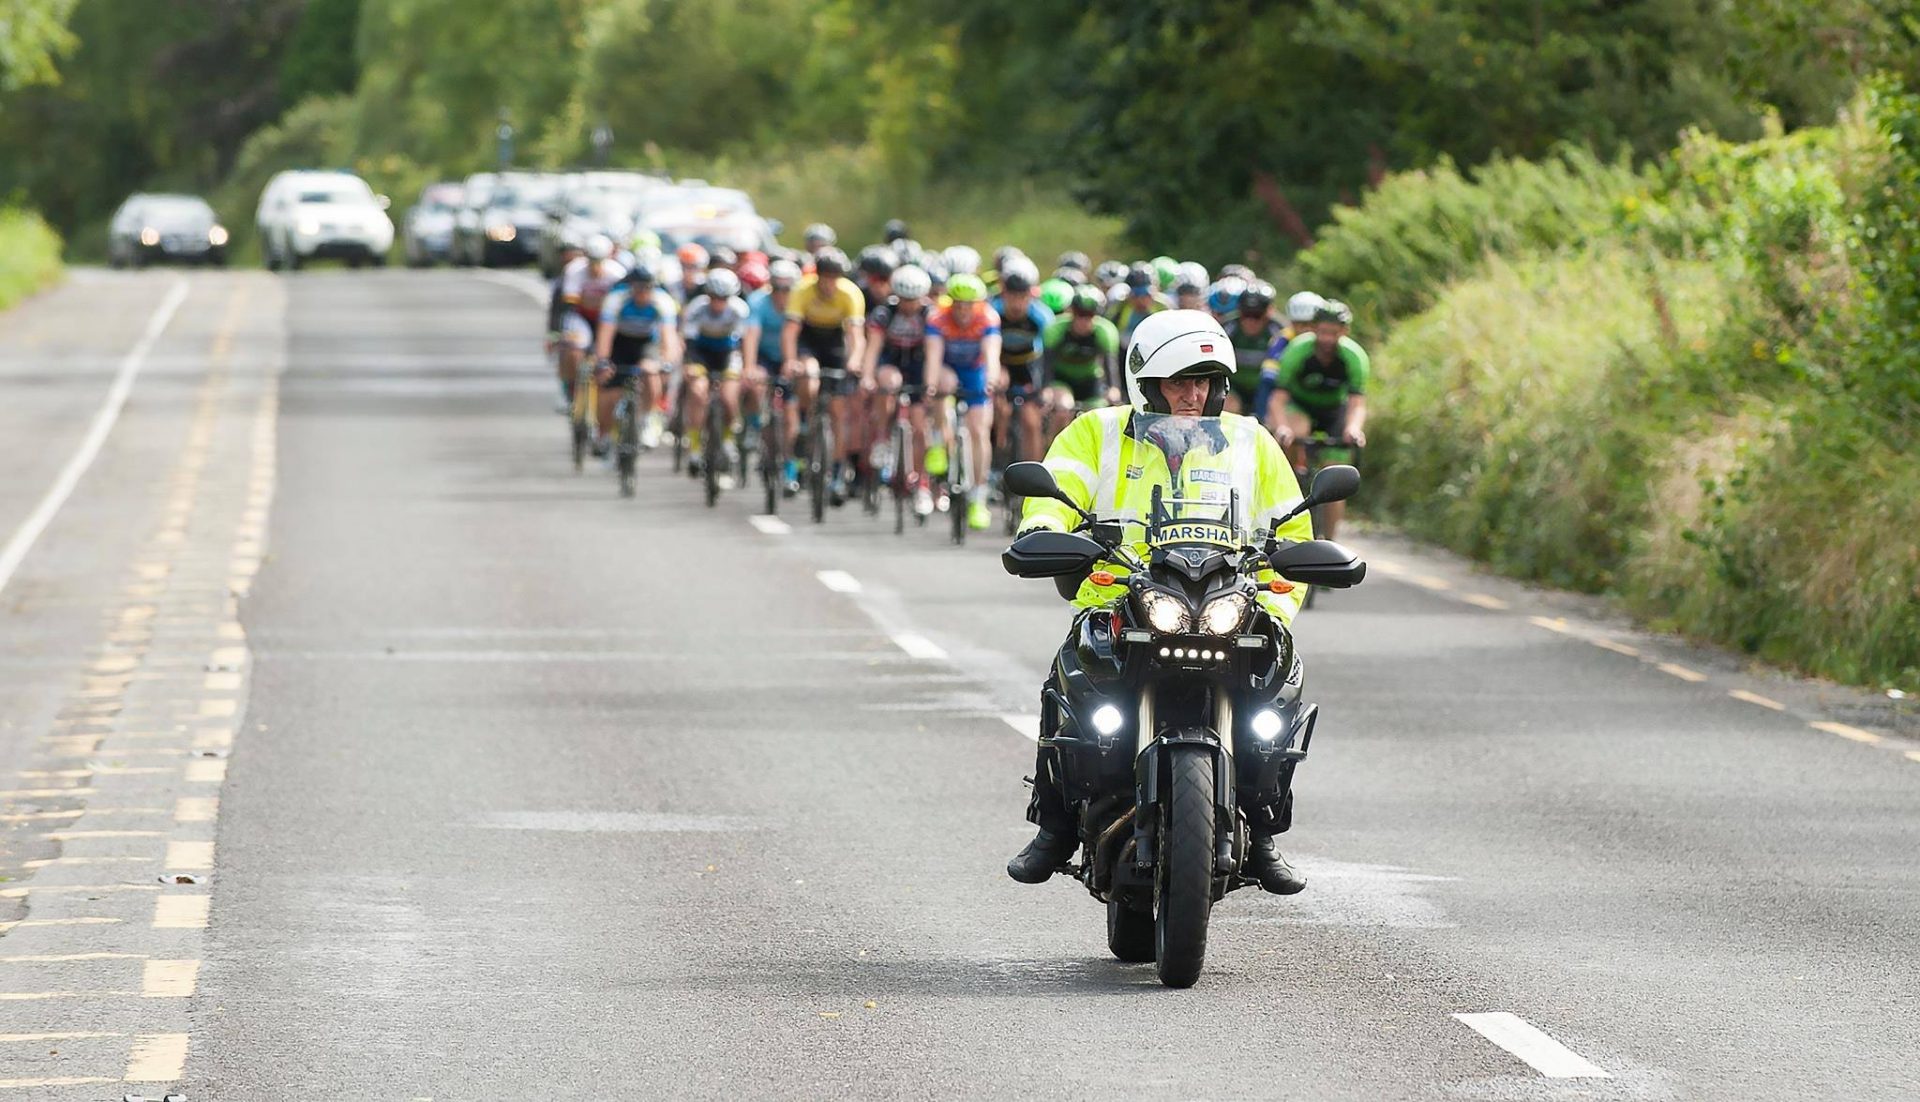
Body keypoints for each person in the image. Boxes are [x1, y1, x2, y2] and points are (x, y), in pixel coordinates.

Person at [1007, 309, 1314, 895]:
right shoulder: (1096, 432)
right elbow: (1053, 495)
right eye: (1179, 381)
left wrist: (1275, 603)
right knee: (1068, 686)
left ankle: (1263, 830)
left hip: (1227, 601)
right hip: (1118, 599)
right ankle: (1054, 825)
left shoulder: (1251, 441)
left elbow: (1292, 531)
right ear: (1145, 382)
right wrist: (1043, 532)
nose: (1193, 395)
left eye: (1205, 381)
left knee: (1275, 693)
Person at [1269, 301, 1368, 540]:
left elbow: (1357, 403)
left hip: (1333, 410)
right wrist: (1281, 427)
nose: (1327, 339)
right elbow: (1277, 399)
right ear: (1314, 329)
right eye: (1322, 332)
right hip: (1300, 406)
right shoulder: (1297, 351)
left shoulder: (1354, 357)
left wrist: (1353, 429)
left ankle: (1331, 541)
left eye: (1333, 333)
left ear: (1344, 332)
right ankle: (1291, 484)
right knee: (1295, 432)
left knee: (1335, 472)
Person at [781, 247, 868, 503]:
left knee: (838, 413)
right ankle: (805, 424)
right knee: (809, 376)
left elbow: (856, 336)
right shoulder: (802, 290)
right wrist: (790, 361)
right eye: (825, 277)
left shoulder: (850, 293)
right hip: (809, 341)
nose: (830, 283)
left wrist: (854, 361)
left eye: (834, 277)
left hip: (834, 344)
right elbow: (790, 332)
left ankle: (838, 472)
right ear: (818, 276)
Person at [924, 273, 1001, 530]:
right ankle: (938, 441)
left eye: (969, 305)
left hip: (974, 372)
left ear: (977, 305)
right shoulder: (937, 317)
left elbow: (992, 353)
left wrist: (992, 379)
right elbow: (933, 356)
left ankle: (978, 497)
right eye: (958, 305)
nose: (963, 311)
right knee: (942, 384)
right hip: (948, 368)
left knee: (979, 430)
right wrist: (930, 384)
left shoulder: (988, 317)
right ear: (951, 303)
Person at [862, 263, 937, 516]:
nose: (908, 305)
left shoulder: (930, 314)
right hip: (891, 362)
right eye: (904, 299)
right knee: (888, 383)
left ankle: (922, 484)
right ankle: (882, 438)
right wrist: (867, 376)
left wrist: (930, 385)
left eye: (913, 300)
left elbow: (933, 351)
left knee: (920, 428)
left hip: (918, 365)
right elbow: (873, 348)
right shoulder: (884, 313)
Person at [593, 265, 679, 452]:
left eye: (647, 288)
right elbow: (605, 335)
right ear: (631, 287)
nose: (642, 292)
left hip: (647, 343)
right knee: (608, 389)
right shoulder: (616, 299)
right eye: (638, 288)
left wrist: (666, 362)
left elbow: (669, 337)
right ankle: (604, 433)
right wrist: (603, 361)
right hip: (620, 342)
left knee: (650, 371)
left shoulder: (663, 301)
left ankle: (647, 419)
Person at [679, 268, 751, 478]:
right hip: (701, 353)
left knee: (729, 397)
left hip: (728, 354)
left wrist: (746, 368)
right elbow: (688, 342)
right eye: (714, 297)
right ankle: (694, 449)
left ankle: (728, 439)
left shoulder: (740, 310)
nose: (718, 303)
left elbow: (745, 342)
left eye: (723, 298)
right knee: (698, 392)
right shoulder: (697, 308)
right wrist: (689, 366)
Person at [557, 235, 627, 434]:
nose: (595, 266)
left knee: (607, 355)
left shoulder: (617, 272)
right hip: (581, 316)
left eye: (599, 261)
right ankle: (572, 390)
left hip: (606, 319)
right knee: (574, 348)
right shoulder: (574, 270)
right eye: (592, 261)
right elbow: (570, 303)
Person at [1037, 286, 1120, 448]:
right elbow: (1046, 364)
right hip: (1063, 380)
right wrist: (1045, 388)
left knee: (1097, 418)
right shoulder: (1055, 330)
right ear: (1072, 313)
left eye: (1089, 315)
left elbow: (1110, 365)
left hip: (1091, 381)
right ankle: (1053, 452)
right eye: (1079, 314)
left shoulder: (1105, 332)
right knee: (1063, 410)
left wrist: (1113, 388)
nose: (1083, 321)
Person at [744, 258, 801, 490]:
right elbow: (751, 335)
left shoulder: (800, 303)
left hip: (791, 357)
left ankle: (790, 465)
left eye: (787, 289)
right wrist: (749, 366)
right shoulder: (758, 301)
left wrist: (794, 362)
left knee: (790, 415)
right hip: (764, 356)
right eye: (776, 288)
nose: (781, 294)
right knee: (756, 385)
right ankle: (754, 424)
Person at [991, 260, 1055, 464]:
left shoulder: (1042, 316)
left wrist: (1045, 387)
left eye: (1023, 297)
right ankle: (997, 456)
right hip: (1000, 364)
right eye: (1012, 297)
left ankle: (1034, 470)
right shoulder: (993, 313)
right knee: (999, 408)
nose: (1018, 304)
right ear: (1004, 295)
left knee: (1031, 420)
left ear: (1030, 296)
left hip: (1029, 367)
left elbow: (1049, 356)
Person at [1225, 281, 1285, 416]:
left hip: (1266, 388)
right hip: (1234, 387)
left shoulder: (1279, 331)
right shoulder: (1228, 327)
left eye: (1257, 315)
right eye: (1246, 314)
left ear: (1269, 312)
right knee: (1228, 405)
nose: (1250, 321)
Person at [545, 240, 585, 412]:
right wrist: (553, 334)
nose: (570, 258)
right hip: (572, 321)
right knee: (567, 351)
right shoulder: (561, 281)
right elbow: (556, 310)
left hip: (593, 322)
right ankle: (568, 394)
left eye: (574, 253)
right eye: (566, 254)